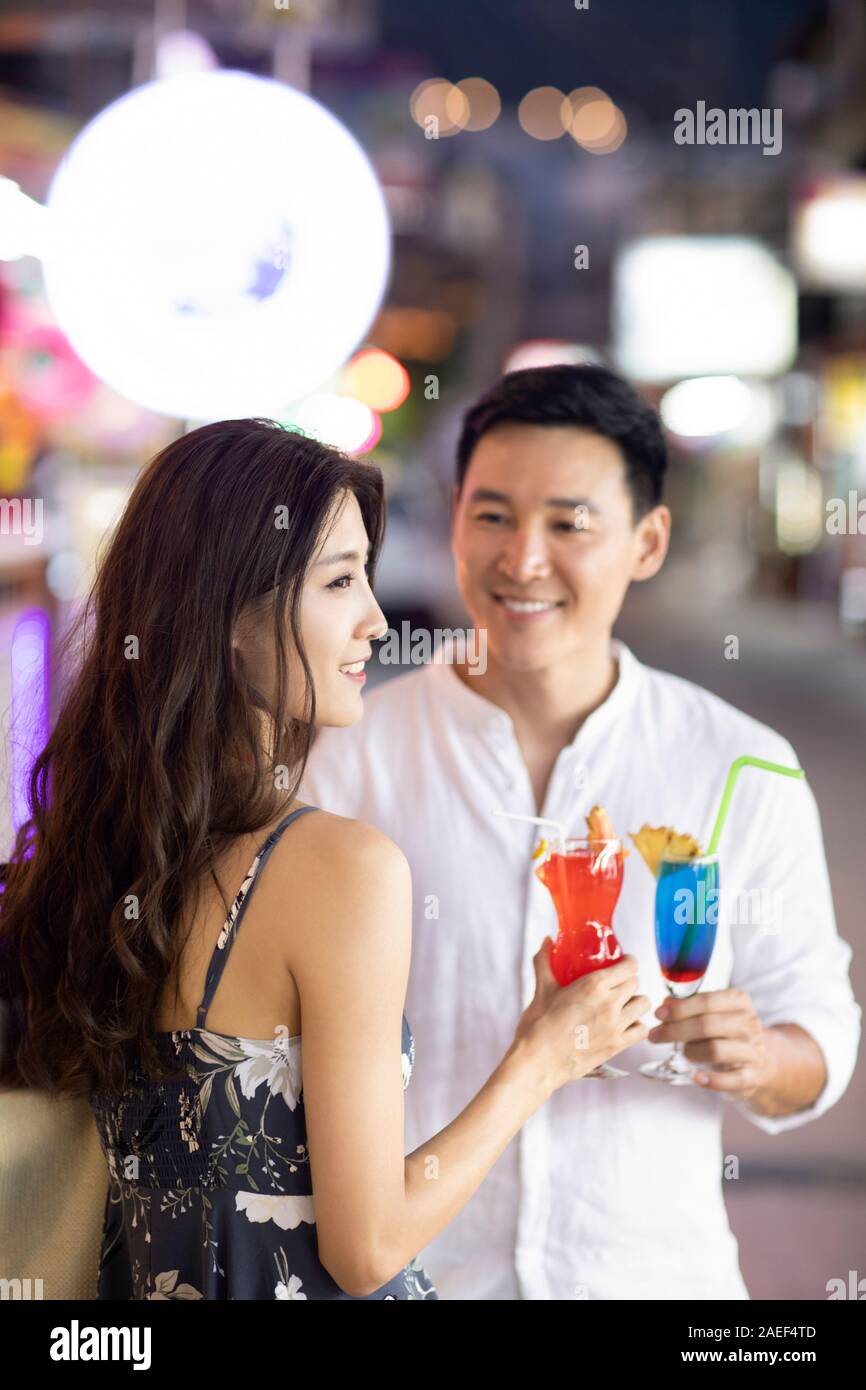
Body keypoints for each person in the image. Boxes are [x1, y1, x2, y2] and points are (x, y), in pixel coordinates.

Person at [0, 418, 649, 1301]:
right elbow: (367, 1246)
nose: (376, 622)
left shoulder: (91, 863)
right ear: (231, 613)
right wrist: (544, 1055)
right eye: (340, 581)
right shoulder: (341, 870)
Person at [301, 364, 862, 1301]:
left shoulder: (738, 767)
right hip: (422, 1281)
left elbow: (822, 1038)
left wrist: (759, 1058)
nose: (523, 559)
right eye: (492, 515)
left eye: (570, 523)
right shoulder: (352, 761)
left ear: (647, 541)